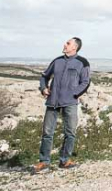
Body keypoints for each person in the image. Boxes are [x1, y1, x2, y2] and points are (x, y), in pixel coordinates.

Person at [33, 37, 91, 173]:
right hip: (52, 102)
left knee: (70, 132)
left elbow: (86, 82)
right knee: (47, 132)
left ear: (74, 47)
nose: (65, 44)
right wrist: (43, 88)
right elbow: (44, 76)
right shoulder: (57, 61)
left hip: (70, 102)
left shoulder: (82, 62)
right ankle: (44, 162)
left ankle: (65, 161)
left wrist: (74, 94)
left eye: (68, 43)